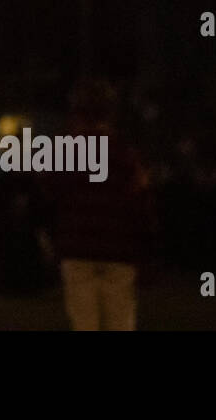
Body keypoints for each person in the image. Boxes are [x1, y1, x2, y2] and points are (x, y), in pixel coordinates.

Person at [45, 78, 155, 331]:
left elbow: (50, 195)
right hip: (118, 249)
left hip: (77, 247)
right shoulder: (124, 152)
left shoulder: (66, 152)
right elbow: (140, 200)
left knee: (83, 323)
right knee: (120, 322)